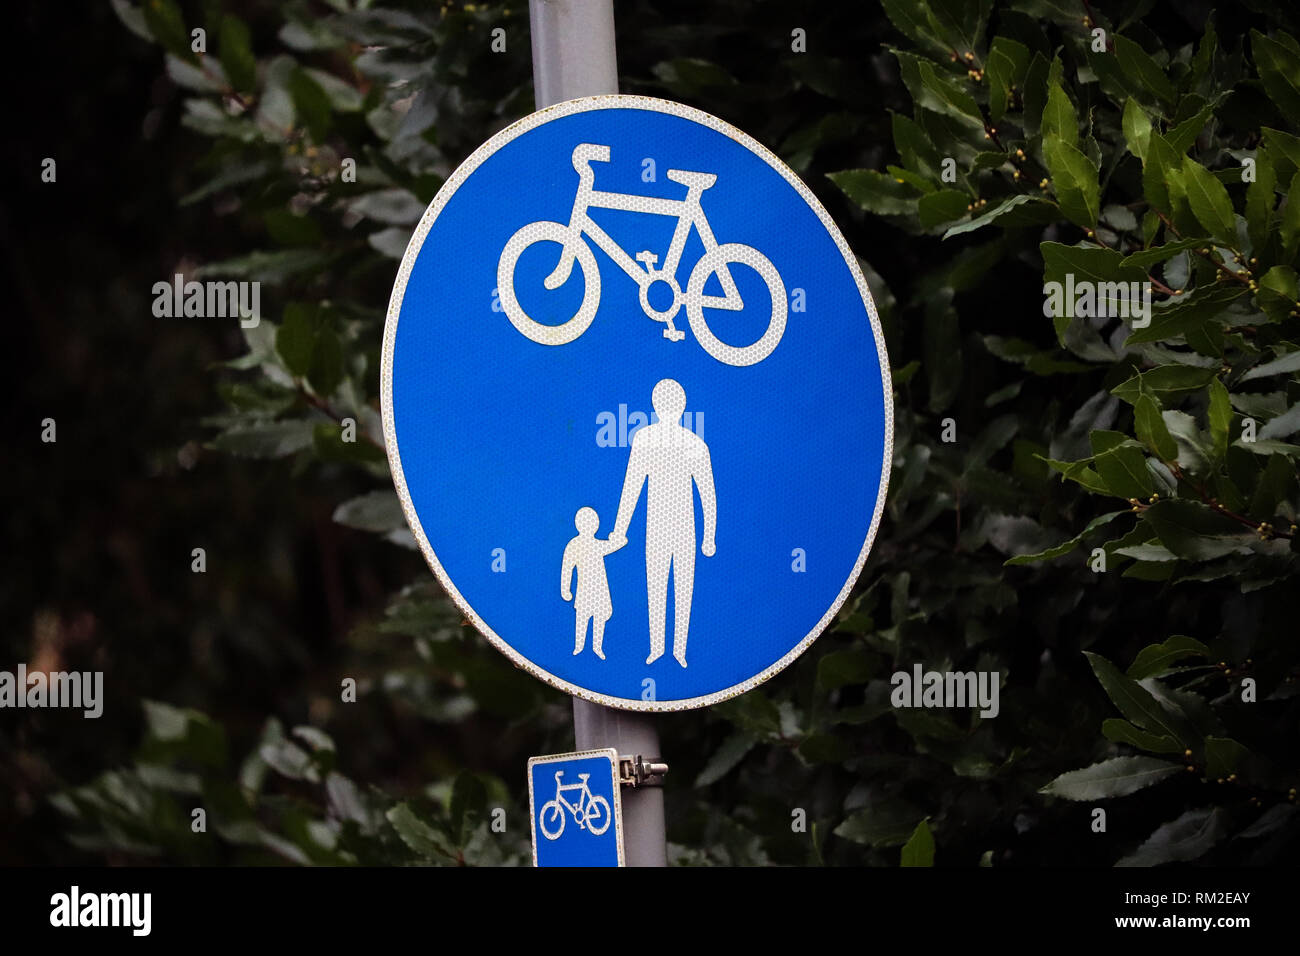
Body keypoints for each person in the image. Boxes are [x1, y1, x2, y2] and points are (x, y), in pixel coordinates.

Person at [611, 379, 716, 667]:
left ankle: (680, 650)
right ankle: (657, 647)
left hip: (684, 529)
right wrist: (620, 530)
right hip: (656, 527)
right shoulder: (644, 440)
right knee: (656, 587)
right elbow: (631, 487)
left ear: (681, 406)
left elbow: (707, 494)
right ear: (657, 406)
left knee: (683, 588)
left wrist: (710, 537)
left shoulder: (695, 444)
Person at [560, 507, 623, 659]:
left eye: (593, 522)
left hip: (600, 590)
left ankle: (597, 647)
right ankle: (578, 646)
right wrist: (565, 589)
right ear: (578, 524)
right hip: (584, 590)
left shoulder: (597, 544)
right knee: (582, 617)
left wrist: (620, 540)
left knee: (599, 618)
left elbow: (611, 546)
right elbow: (567, 569)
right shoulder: (574, 545)